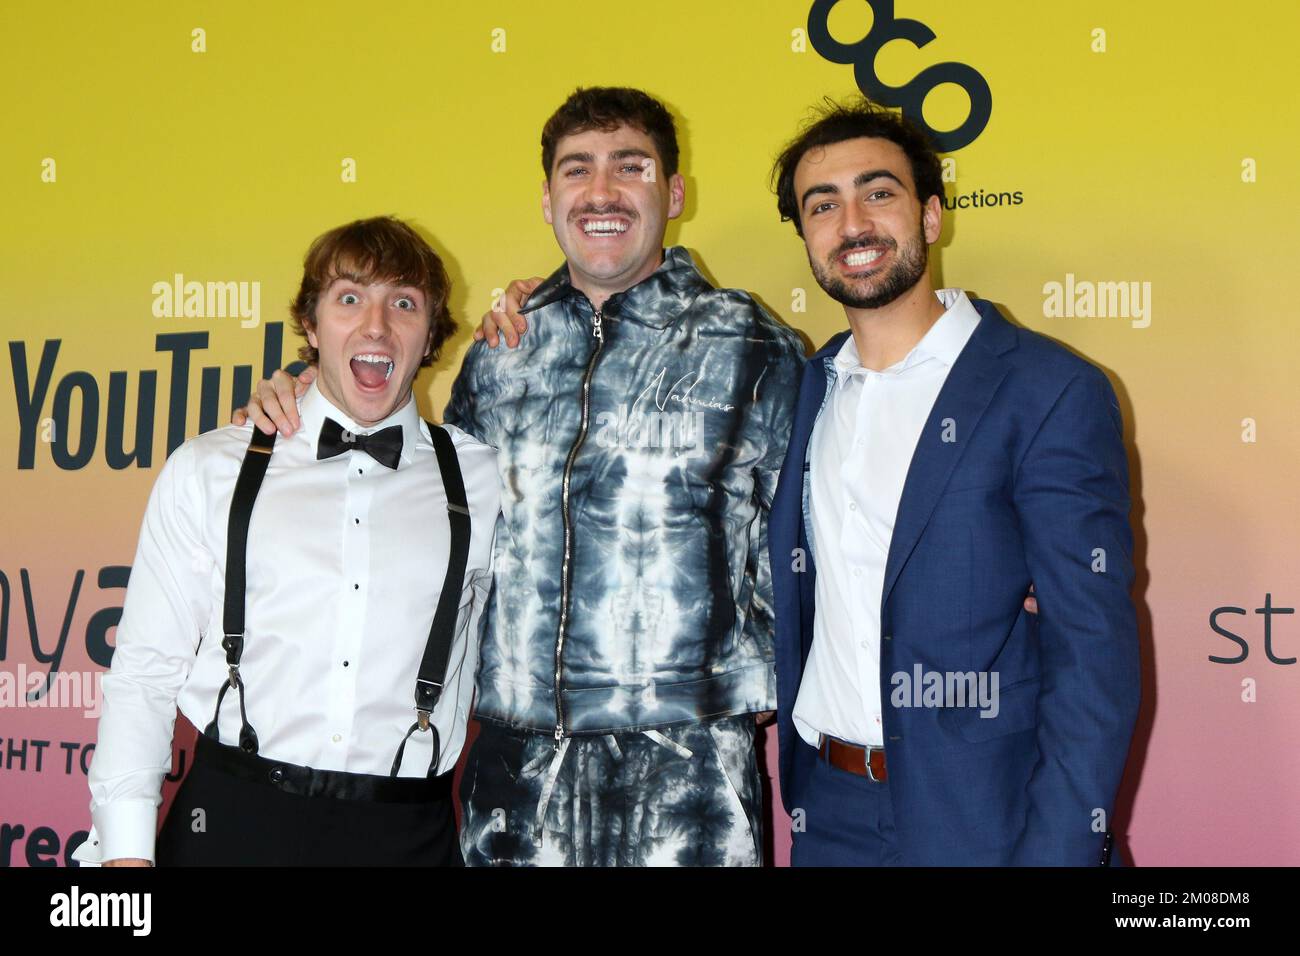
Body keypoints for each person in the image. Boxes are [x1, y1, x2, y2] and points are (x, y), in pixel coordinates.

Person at [239, 87, 806, 866]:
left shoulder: (753, 343)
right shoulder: (502, 352)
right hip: (515, 773)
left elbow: (802, 546)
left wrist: (733, 680)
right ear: (548, 200)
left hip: (691, 770)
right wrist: (306, 386)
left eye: (629, 167)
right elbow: (433, 511)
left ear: (674, 193)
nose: (601, 192)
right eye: (578, 170)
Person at [767, 98, 1141, 866]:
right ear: (805, 236)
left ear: (932, 215)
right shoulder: (809, 387)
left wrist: (1063, 850)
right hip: (827, 812)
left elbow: (1093, 649)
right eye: (823, 205)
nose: (854, 224)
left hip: (986, 815)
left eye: (880, 193)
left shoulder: (1048, 388)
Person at [73, 216, 498, 866]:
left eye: (404, 303)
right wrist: (126, 859)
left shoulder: (487, 479)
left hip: (408, 836)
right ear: (310, 324)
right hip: (231, 824)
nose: (376, 326)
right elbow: (144, 674)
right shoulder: (210, 468)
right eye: (349, 298)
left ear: (433, 334)